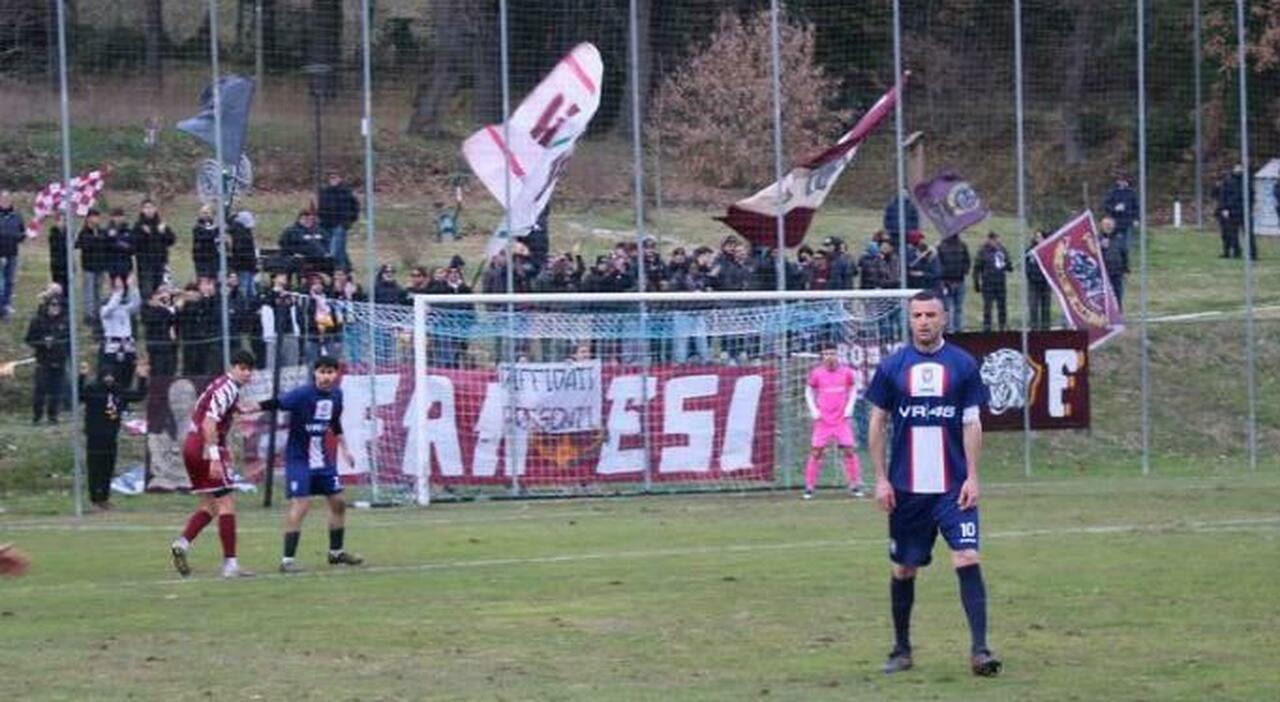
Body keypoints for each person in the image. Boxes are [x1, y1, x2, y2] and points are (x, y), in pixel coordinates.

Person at [865, 290, 1001, 677]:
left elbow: (972, 423)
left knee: (967, 557)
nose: (923, 321)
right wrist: (880, 479)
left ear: (944, 318)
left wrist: (973, 476)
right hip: (906, 489)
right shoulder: (893, 366)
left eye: (930, 314)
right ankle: (901, 649)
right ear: (910, 320)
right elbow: (877, 423)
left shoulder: (962, 365)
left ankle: (980, 651)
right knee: (904, 569)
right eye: (917, 315)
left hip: (953, 487)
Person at [256, 356, 363, 573]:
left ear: (337, 374)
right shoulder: (303, 394)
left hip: (323, 461)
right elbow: (278, 402)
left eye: (331, 372)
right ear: (315, 373)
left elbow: (334, 422)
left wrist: (345, 448)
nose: (326, 376)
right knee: (301, 505)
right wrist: (249, 407)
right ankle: (287, 561)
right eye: (322, 372)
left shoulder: (336, 395)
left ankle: (336, 553)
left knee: (338, 502)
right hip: (299, 461)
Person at [169, 349, 259, 579]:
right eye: (242, 368)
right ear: (233, 368)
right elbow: (209, 423)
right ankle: (230, 565)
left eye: (250, 369)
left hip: (190, 446)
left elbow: (208, 409)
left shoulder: (220, 385)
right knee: (227, 504)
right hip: (205, 447)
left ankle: (182, 543)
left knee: (210, 507)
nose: (246, 374)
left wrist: (240, 409)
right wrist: (214, 457)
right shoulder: (227, 388)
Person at [80, 360, 150, 511]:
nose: (109, 379)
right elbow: (79, 395)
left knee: (108, 467)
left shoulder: (119, 391)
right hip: (95, 435)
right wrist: (82, 376)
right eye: (106, 376)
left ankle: (104, 498)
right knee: (94, 468)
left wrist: (142, 378)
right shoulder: (93, 390)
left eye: (111, 376)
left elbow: (138, 395)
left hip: (111, 435)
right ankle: (94, 498)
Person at [803, 345, 863, 499]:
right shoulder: (817, 373)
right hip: (823, 420)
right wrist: (814, 411)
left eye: (832, 353)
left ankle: (855, 485)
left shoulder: (846, 372)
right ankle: (809, 487)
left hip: (841, 419)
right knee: (816, 452)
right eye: (826, 354)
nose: (829, 356)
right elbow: (808, 390)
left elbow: (854, 388)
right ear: (822, 356)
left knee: (849, 450)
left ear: (837, 355)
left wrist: (849, 407)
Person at [26, 293, 71, 423]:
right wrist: (42, 342)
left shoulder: (65, 321)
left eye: (58, 306)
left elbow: (68, 340)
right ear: (47, 306)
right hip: (43, 360)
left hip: (60, 359)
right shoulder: (37, 321)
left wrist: (57, 343)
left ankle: (53, 416)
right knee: (40, 389)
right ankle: (37, 416)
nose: (55, 308)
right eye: (52, 305)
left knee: (57, 390)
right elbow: (29, 339)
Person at [99, 275, 142, 388]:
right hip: (113, 348)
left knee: (128, 375)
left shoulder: (125, 309)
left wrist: (132, 287)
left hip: (128, 346)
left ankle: (124, 401)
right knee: (113, 376)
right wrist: (119, 291)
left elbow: (136, 304)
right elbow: (111, 307)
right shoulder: (105, 310)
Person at [132, 199, 176, 296]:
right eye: (146, 208)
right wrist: (145, 234)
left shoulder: (161, 224)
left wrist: (163, 233)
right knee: (147, 291)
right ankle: (146, 309)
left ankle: (159, 310)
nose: (149, 210)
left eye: (151, 207)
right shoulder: (138, 226)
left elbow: (172, 240)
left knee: (161, 290)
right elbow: (134, 245)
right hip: (145, 265)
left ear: (155, 209)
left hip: (160, 263)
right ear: (142, 210)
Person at [317, 172, 359, 271]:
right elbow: (321, 207)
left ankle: (338, 268)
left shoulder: (346, 192)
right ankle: (347, 267)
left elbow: (355, 207)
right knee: (338, 247)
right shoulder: (324, 192)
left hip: (340, 223)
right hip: (326, 224)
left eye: (335, 177)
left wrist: (350, 220)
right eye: (330, 178)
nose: (332, 180)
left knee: (335, 249)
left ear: (340, 178)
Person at [973, 232, 1012, 332]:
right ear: (989, 240)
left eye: (997, 240)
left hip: (1000, 283)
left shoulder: (1002, 250)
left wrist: (1007, 264)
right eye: (993, 240)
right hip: (988, 284)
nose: (995, 242)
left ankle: (1002, 327)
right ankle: (987, 328)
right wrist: (976, 283)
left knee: (1002, 307)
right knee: (988, 307)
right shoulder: (982, 251)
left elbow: (1008, 265)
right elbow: (977, 268)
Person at [0, 190, 27, 321]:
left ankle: (6, 307)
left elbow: (22, 233)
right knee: (1, 283)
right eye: (2, 199)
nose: (5, 202)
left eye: (7, 199)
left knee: (9, 281)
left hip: (12, 254)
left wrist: (20, 236)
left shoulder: (17, 216)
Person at [935, 233, 971, 331]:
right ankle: (948, 329)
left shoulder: (962, 246)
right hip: (947, 282)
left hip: (958, 281)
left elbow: (967, 261)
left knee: (957, 308)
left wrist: (963, 272)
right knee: (947, 308)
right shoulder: (940, 247)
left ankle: (957, 329)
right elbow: (938, 265)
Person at [1213, 166, 1245, 259]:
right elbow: (1215, 195)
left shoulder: (1230, 183)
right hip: (1223, 210)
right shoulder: (1222, 184)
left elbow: (1225, 198)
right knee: (1225, 233)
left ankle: (1235, 250)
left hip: (1229, 211)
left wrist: (1225, 209)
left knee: (1231, 232)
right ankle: (1227, 251)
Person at [1025, 229, 1052, 330]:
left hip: (1045, 283)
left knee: (1045, 309)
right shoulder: (1030, 251)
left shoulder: (1048, 250)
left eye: (1040, 237)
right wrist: (1031, 276)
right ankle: (1034, 329)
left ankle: (1046, 330)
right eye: (1037, 237)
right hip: (1033, 284)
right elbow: (1026, 265)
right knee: (1033, 307)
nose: (1038, 239)